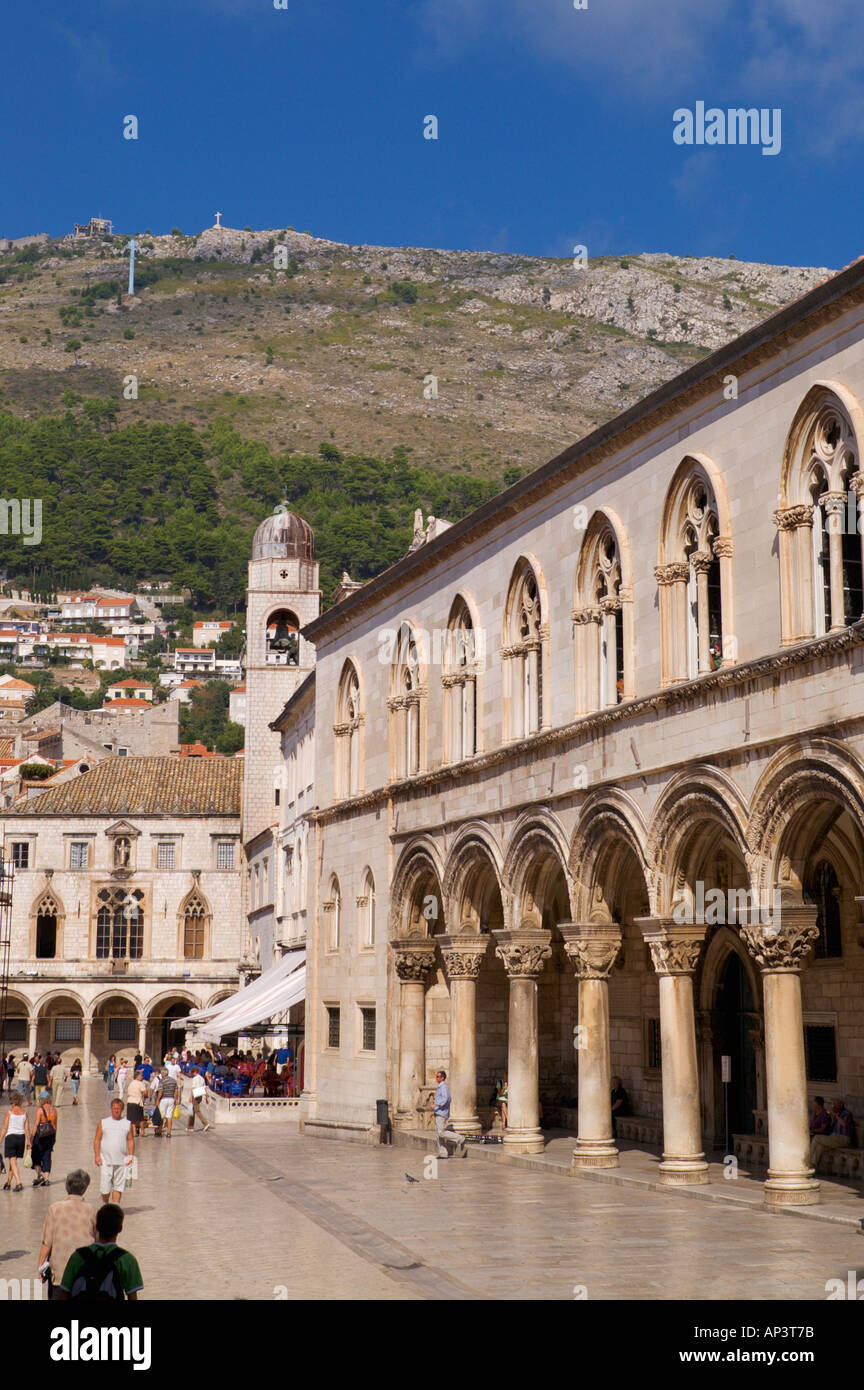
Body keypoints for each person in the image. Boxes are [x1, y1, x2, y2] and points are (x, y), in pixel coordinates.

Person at [59, 1202, 143, 1302]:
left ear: (97, 1227)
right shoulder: (128, 1260)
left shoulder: (77, 1256)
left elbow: (64, 1293)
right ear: (120, 1229)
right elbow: (132, 1297)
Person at [37, 1169, 97, 1300]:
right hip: (86, 1272)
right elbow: (99, 1241)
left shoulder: (54, 1208)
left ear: (67, 1187)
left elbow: (47, 1241)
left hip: (60, 1273)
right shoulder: (92, 1210)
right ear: (85, 1188)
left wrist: (40, 1265)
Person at [94, 1097, 135, 1204]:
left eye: (118, 1108)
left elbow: (130, 1140)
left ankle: (115, 1207)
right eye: (114, 1108)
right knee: (105, 1188)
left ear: (122, 1110)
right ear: (111, 1109)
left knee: (118, 1187)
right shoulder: (103, 1122)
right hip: (105, 1161)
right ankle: (106, 1204)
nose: (116, 1110)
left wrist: (131, 1157)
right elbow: (97, 1140)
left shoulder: (127, 1124)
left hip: (121, 1161)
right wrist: (97, 1156)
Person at [811, 1097, 855, 1169]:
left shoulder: (846, 1113)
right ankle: (812, 1166)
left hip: (843, 1138)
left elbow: (844, 1124)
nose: (833, 1106)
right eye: (833, 1104)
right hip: (834, 1137)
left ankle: (807, 1161)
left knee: (817, 1138)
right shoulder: (836, 1114)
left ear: (841, 1105)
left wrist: (835, 1115)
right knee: (819, 1147)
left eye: (835, 1104)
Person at [432, 1070, 467, 1159]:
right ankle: (443, 1153)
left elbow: (446, 1098)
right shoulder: (440, 1087)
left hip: (441, 1112)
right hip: (438, 1112)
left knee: (441, 1132)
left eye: (438, 1077)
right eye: (436, 1077)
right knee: (438, 1134)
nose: (436, 1078)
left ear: (442, 1078)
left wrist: (437, 1104)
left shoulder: (443, 1087)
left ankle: (460, 1138)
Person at [1, 1092, 31, 1190]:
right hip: (21, 1138)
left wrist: (0, 1140)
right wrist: (29, 1141)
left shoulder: (9, 1113)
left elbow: (4, 1129)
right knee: (13, 1162)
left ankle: (18, 1183)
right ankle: (8, 1183)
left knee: (12, 1161)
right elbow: (27, 1129)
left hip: (11, 1138)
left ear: (13, 1102)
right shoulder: (25, 1113)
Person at [31, 1090, 58, 1187]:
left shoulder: (40, 1110)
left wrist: (31, 1137)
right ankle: (47, 1179)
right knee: (47, 1157)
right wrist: (54, 1138)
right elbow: (55, 1125)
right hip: (50, 1135)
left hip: (40, 1136)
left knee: (36, 1156)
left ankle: (40, 1175)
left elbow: (36, 1124)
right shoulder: (54, 1110)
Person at [180, 1066, 211, 1131]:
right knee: (192, 1110)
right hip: (200, 1095)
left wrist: (191, 1097)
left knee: (197, 1111)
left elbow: (193, 1088)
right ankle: (190, 1126)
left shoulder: (195, 1079)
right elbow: (204, 1087)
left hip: (195, 1095)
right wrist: (206, 1096)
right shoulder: (202, 1078)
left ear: (195, 1072)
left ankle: (205, 1123)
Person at [125, 1069, 148, 1137]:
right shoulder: (140, 1083)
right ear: (137, 1076)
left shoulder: (131, 1083)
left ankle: (134, 1132)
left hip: (130, 1101)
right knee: (140, 1118)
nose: (142, 1077)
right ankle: (142, 1132)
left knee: (132, 1119)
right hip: (137, 1102)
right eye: (141, 1076)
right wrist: (146, 1096)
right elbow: (145, 1092)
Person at [610, 1075, 630, 1139]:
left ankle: (613, 1131)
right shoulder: (613, 1092)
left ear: (618, 1083)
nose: (613, 1084)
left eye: (615, 1083)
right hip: (615, 1109)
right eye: (612, 1083)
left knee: (611, 1115)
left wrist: (610, 1110)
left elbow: (618, 1103)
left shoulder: (621, 1091)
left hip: (622, 1110)